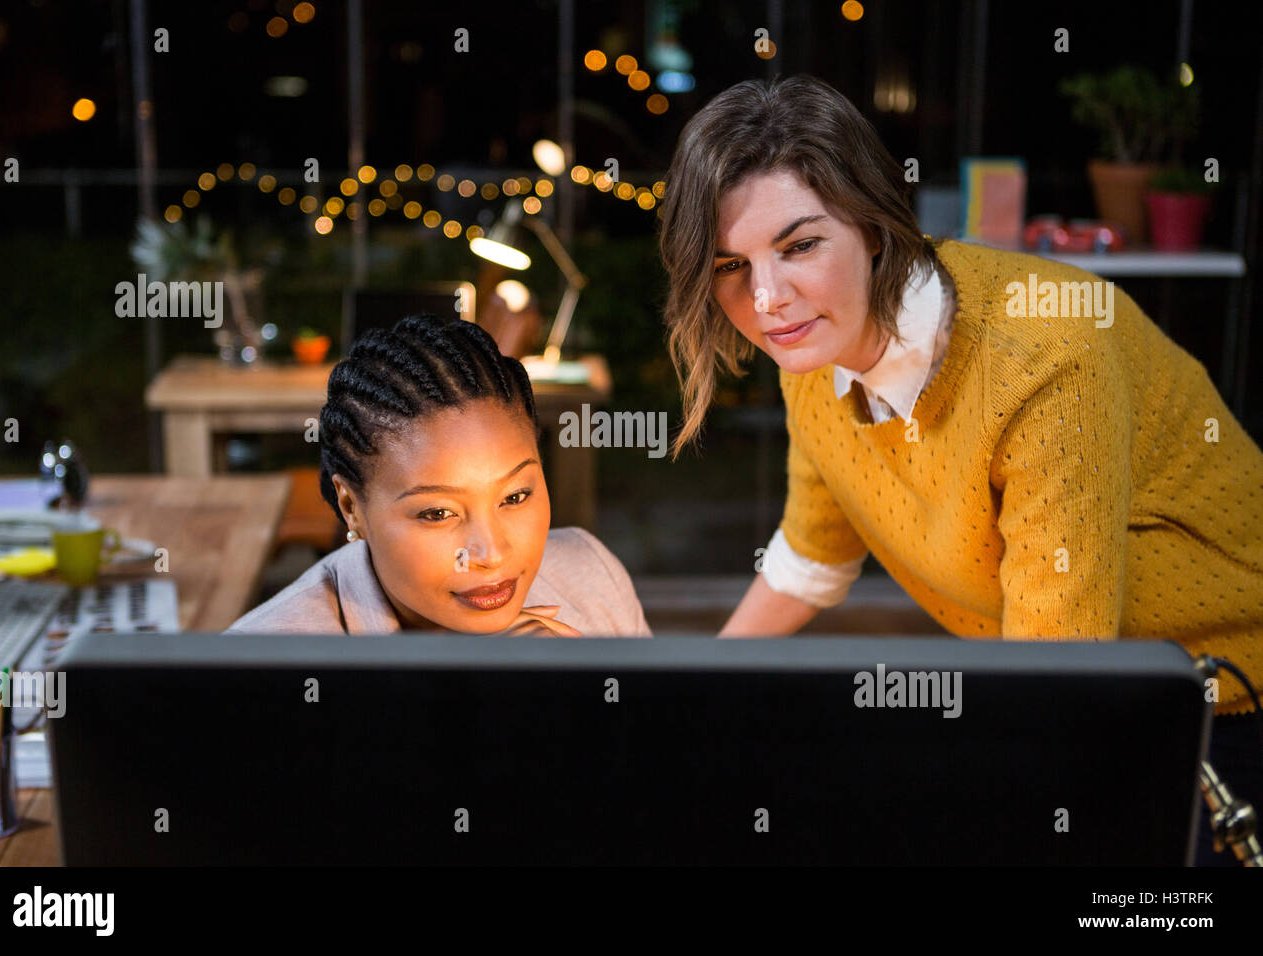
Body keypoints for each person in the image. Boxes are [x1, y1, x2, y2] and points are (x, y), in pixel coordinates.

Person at [657, 75, 1263, 863]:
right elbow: (814, 554)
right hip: (1073, 692)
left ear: (875, 228)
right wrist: (686, 694)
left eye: (800, 245)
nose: (768, 298)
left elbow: (1057, 677)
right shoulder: (811, 348)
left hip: (1223, 704)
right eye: (730, 265)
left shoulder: (1046, 361)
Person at [227, 313, 649, 637]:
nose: (491, 554)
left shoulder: (593, 578)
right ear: (351, 507)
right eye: (437, 513)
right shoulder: (262, 669)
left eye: (516, 496)